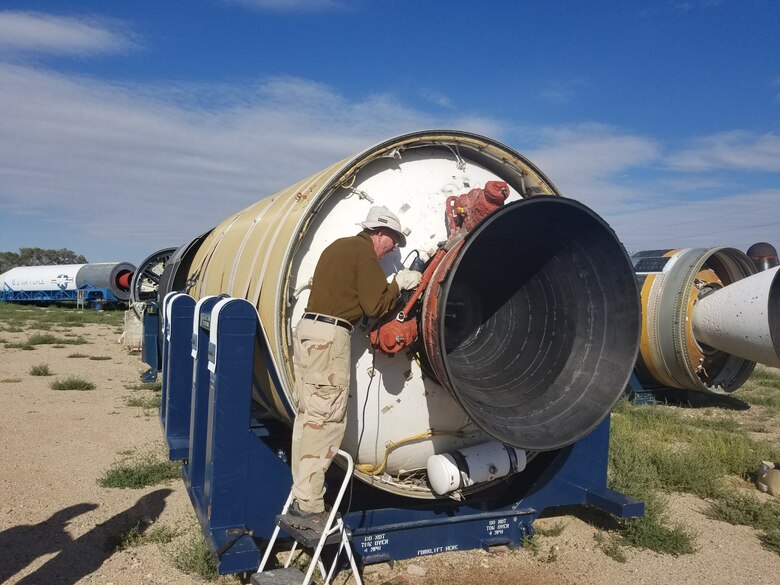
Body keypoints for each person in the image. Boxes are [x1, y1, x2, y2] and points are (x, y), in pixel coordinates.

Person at [286, 205, 422, 532]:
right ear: (379, 234)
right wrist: (400, 283)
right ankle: (309, 507)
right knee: (328, 421)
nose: (394, 248)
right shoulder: (364, 253)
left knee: (309, 417)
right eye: (393, 241)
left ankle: (300, 496)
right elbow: (376, 305)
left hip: (308, 333)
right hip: (330, 339)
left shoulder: (337, 247)